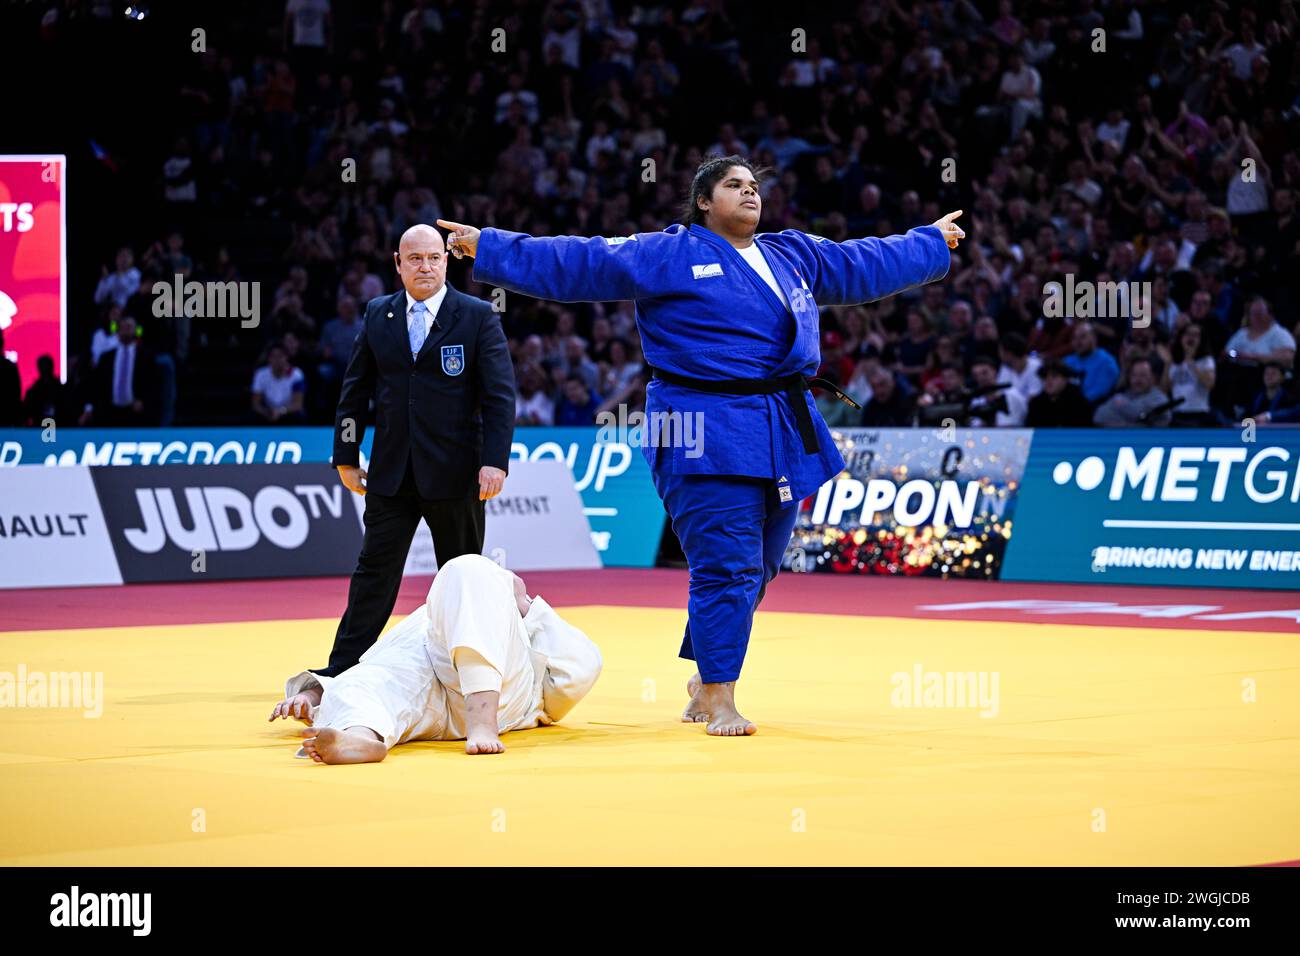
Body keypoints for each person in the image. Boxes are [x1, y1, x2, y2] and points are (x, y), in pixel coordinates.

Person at [436, 155, 962, 735]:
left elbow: (864, 262)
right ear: (705, 202)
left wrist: (930, 242)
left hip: (779, 422)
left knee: (757, 566)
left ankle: (704, 673)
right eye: (734, 185)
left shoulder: (792, 255)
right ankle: (719, 694)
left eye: (755, 185)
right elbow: (584, 260)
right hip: (697, 425)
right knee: (726, 565)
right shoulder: (671, 252)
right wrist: (492, 248)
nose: (749, 193)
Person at [316, 224, 516, 679]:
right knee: (373, 575)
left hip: (456, 473)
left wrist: (495, 461)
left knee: (463, 580)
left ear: (447, 261)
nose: (425, 266)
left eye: (433, 258)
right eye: (415, 259)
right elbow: (355, 391)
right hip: (390, 474)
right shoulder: (376, 315)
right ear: (398, 263)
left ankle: (477, 677)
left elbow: (500, 396)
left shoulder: (477, 316)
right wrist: (346, 455)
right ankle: (342, 672)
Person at [271, 555, 601, 761]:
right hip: (426, 676)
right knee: (367, 682)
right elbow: (357, 676)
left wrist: (526, 609)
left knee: (466, 567)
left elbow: (583, 667)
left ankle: (481, 719)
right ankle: (359, 737)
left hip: (497, 696)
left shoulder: (523, 637)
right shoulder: (444, 612)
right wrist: (312, 695)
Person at [78, 316, 159, 427]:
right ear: (118, 330)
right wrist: (88, 409)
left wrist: (143, 402)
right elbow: (95, 385)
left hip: (136, 414)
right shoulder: (106, 357)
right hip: (108, 413)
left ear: (135, 330)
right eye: (123, 327)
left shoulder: (146, 357)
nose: (126, 329)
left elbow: (153, 385)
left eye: (129, 327)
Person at [1093, 357, 1173, 426]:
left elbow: (1136, 412)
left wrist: (1120, 407)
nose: (1137, 379)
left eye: (1143, 375)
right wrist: (1135, 424)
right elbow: (1099, 417)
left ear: (1153, 378)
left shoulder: (1159, 399)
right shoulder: (1125, 395)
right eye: (1134, 375)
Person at [1063, 321, 1120, 406]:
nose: (1078, 342)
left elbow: (1099, 394)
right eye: (1074, 338)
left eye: (1083, 337)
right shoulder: (1067, 361)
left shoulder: (1106, 362)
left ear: (1094, 338)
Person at [250, 341, 306, 423]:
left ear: (286, 357)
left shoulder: (296, 374)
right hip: (268, 412)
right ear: (269, 359)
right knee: (252, 416)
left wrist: (280, 411)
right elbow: (256, 404)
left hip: (288, 412)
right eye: (273, 356)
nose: (277, 360)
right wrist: (266, 412)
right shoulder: (260, 374)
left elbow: (298, 404)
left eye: (280, 356)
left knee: (299, 415)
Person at [1026, 360, 1093, 427]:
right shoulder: (1036, 404)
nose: (1048, 380)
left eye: (1054, 376)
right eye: (1044, 376)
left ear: (1065, 379)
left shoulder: (1080, 404)